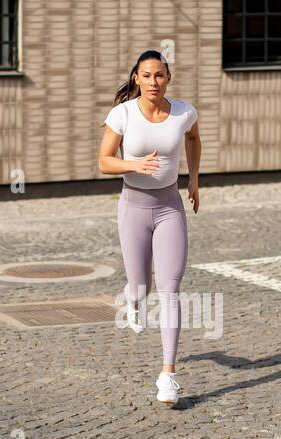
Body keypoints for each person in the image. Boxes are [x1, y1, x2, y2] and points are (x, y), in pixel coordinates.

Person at [98, 49, 202, 408]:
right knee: (141, 286)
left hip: (170, 206)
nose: (153, 82)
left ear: (168, 78)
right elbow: (103, 161)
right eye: (146, 76)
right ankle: (134, 299)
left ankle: (168, 375)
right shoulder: (122, 114)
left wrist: (194, 180)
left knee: (170, 289)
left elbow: (193, 139)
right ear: (137, 79)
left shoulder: (185, 112)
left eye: (159, 75)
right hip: (134, 208)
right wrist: (134, 164)